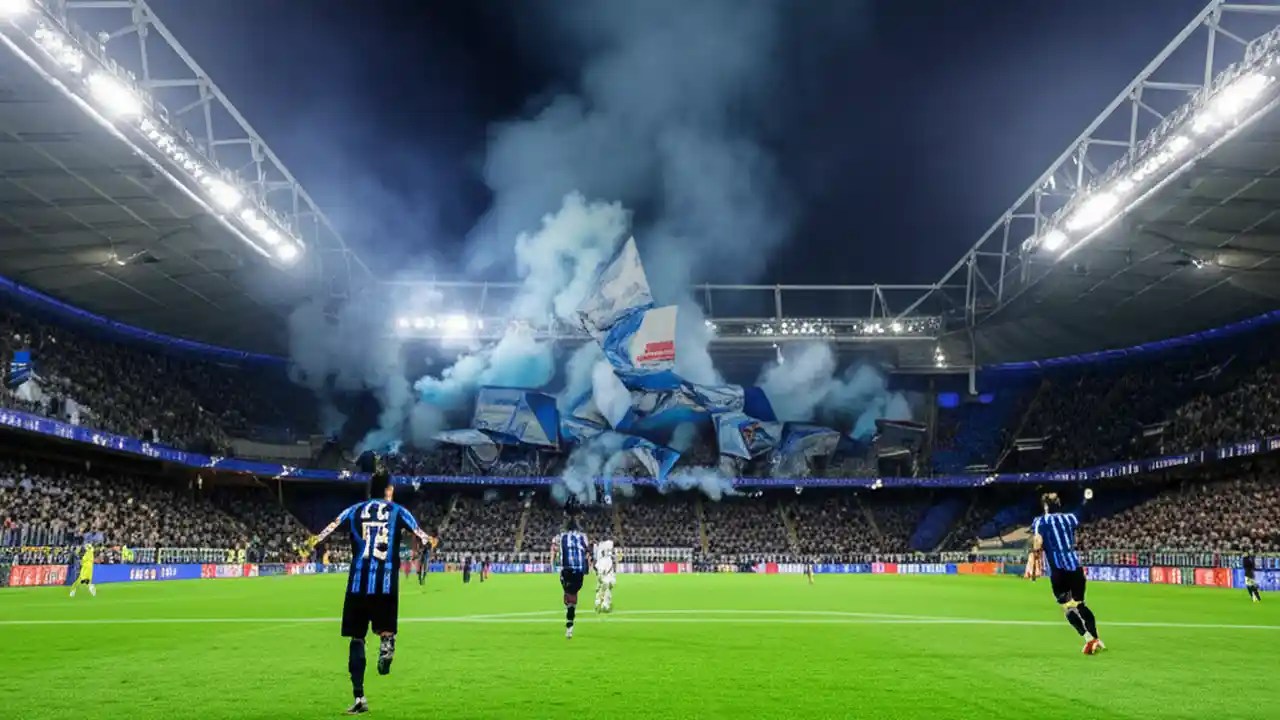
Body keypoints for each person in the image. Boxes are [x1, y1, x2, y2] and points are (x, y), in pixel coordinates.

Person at [310, 466, 436, 716]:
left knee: (356, 639)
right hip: (386, 583)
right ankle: (387, 641)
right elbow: (422, 537)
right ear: (389, 490)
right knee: (385, 627)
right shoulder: (399, 510)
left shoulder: (354, 510)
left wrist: (313, 545)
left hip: (357, 583)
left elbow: (325, 531)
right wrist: (430, 542)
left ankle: (359, 697)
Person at [1028, 490, 1105, 655]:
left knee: (1067, 608)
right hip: (1074, 568)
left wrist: (1035, 561)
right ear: (1059, 504)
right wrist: (1086, 499)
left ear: (1046, 506)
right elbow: (1083, 511)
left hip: (1058, 571)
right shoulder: (1069, 518)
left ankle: (1087, 638)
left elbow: (1037, 543)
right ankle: (1097, 638)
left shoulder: (1039, 522)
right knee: (1081, 604)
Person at [552, 517, 591, 639]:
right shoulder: (583, 537)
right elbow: (588, 552)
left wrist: (553, 560)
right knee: (573, 596)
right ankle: (570, 625)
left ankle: (569, 619)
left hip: (567, 570)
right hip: (579, 571)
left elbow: (554, 548)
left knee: (569, 595)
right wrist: (588, 566)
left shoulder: (561, 537)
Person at [594, 539, 617, 613]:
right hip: (605, 568)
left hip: (601, 566)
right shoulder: (607, 546)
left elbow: (596, 564)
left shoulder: (600, 548)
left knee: (602, 588)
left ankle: (599, 602)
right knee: (607, 587)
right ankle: (605, 604)